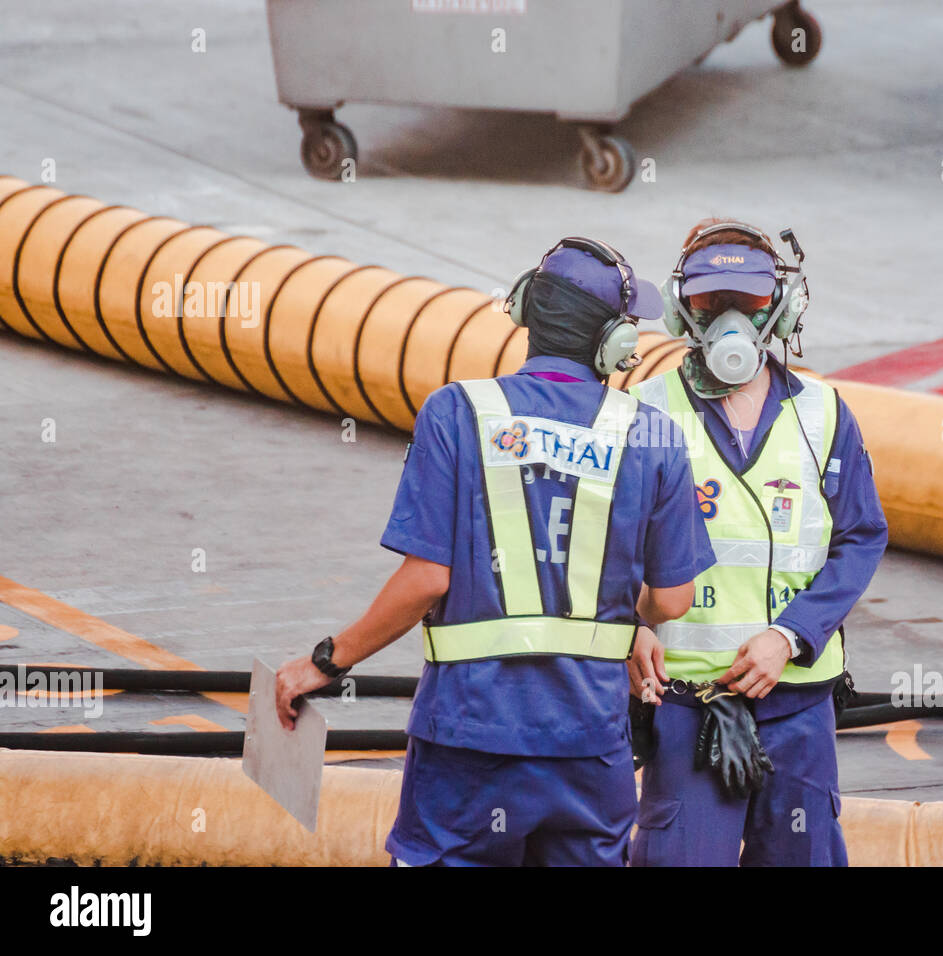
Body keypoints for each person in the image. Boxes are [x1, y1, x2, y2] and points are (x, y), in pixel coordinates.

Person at [275, 237, 714, 866]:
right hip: (589, 745)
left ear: (524, 309)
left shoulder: (456, 412)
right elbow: (672, 598)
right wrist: (624, 621)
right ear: (615, 344)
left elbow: (427, 579)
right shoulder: (652, 434)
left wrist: (327, 660)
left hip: (469, 739)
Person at [626, 219, 888, 867]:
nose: (731, 319)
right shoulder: (645, 411)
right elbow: (607, 544)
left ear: (785, 306)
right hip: (688, 702)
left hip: (796, 699)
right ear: (684, 307)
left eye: (750, 301)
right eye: (713, 302)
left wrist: (791, 635)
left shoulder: (824, 414)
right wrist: (629, 628)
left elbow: (860, 537)